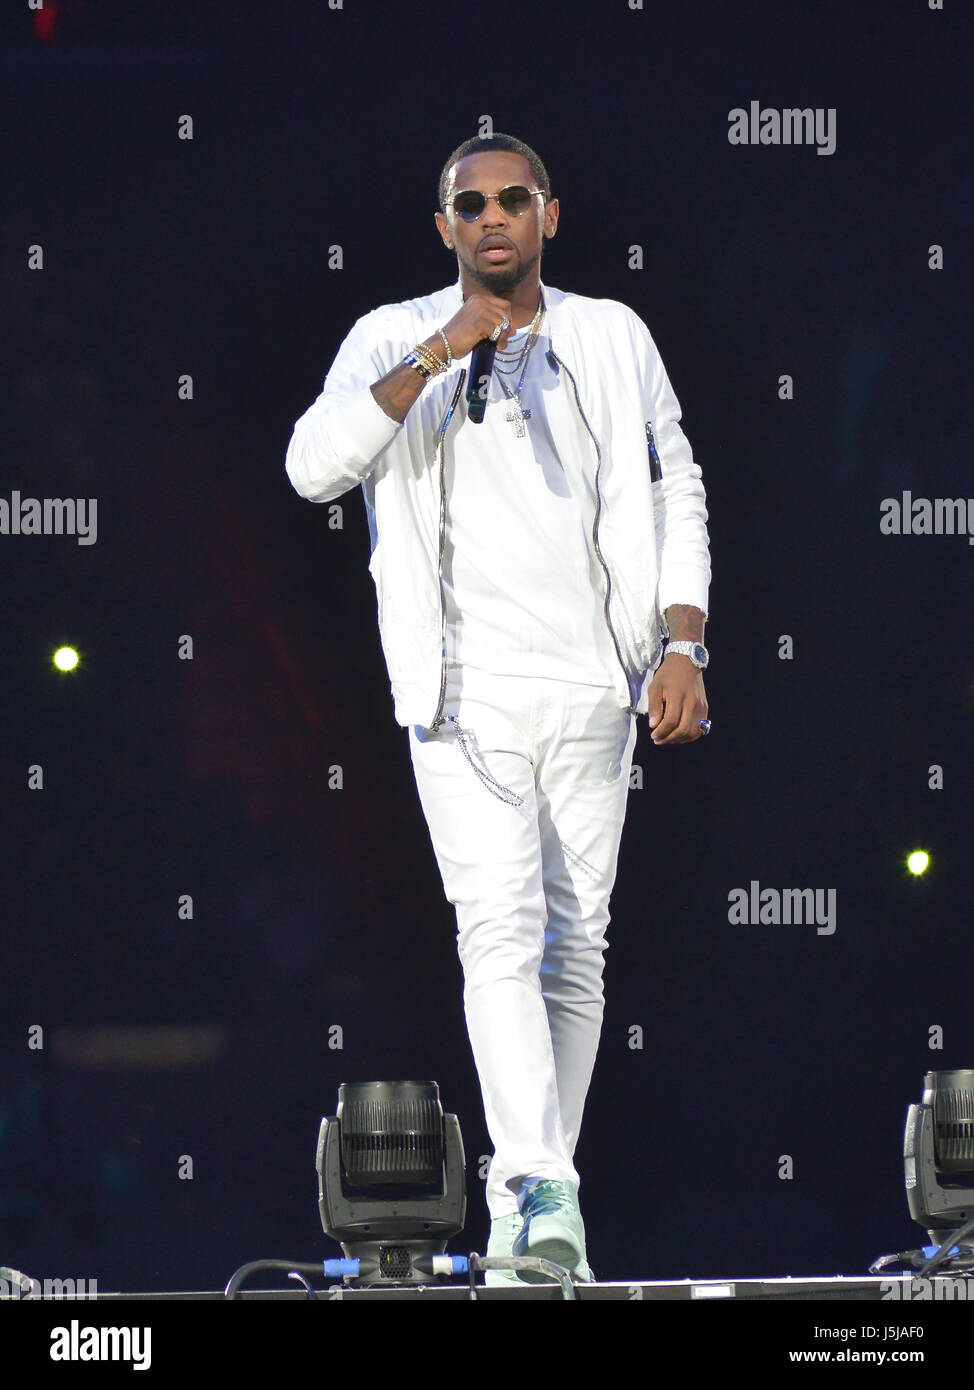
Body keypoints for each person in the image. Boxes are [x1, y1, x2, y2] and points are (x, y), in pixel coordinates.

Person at [284, 132, 711, 1287]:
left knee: (577, 954)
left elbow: (674, 482)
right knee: (500, 932)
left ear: (549, 215)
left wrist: (680, 640)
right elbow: (312, 466)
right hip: (460, 695)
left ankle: (533, 1204)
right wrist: (440, 349)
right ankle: (535, 1188)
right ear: (443, 229)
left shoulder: (610, 335)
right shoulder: (391, 334)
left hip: (593, 685)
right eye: (467, 204)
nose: (490, 219)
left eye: (510, 199)